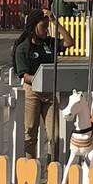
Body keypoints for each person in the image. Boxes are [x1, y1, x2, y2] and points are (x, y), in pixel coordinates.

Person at [14, 8, 75, 163]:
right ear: (34, 27)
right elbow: (24, 75)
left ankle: (51, 170)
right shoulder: (23, 48)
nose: (46, 30)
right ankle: (30, 167)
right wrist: (38, 79)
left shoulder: (49, 43)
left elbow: (69, 42)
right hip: (32, 92)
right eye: (43, 27)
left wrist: (55, 22)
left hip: (49, 92)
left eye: (48, 27)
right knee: (30, 133)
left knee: (54, 135)